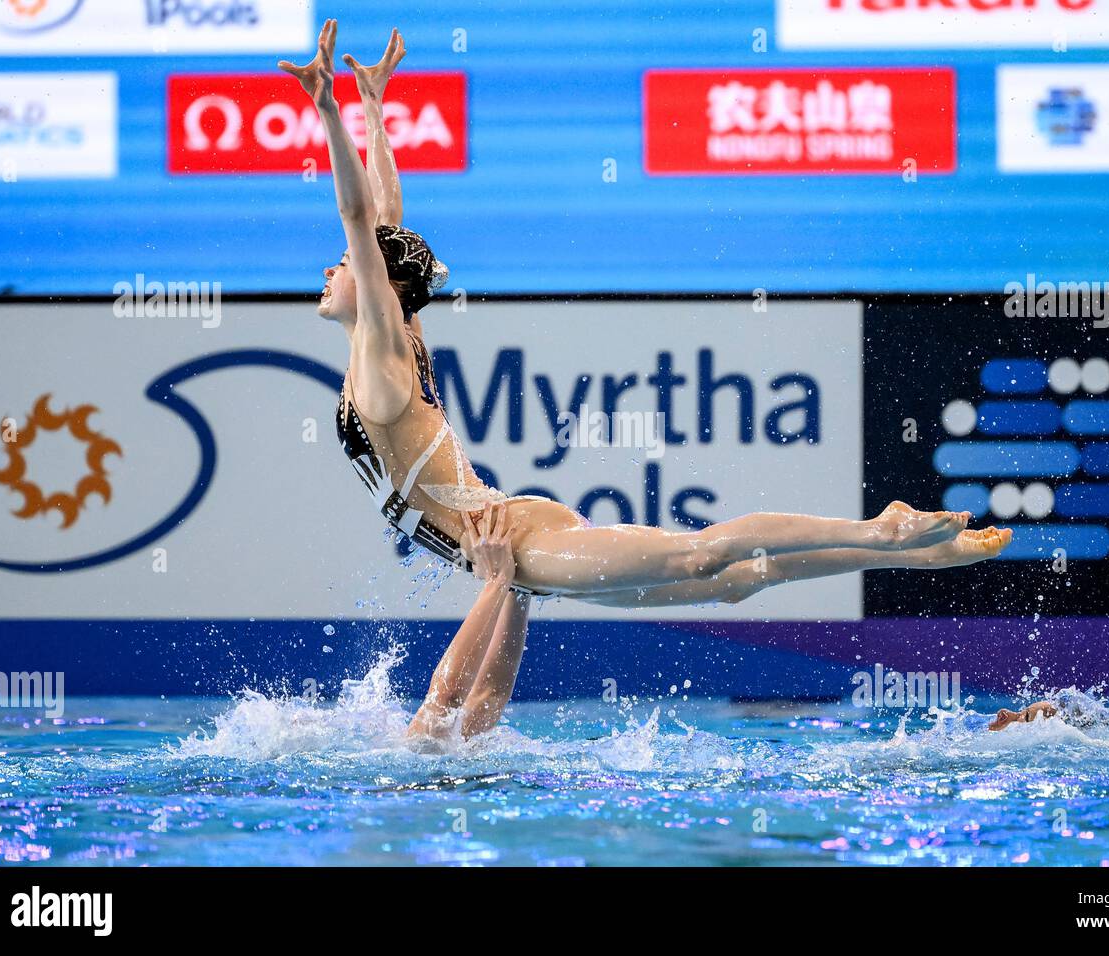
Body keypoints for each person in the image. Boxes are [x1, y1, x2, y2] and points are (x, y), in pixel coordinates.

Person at [280, 21, 1013, 606]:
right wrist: (378, 111)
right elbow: (383, 219)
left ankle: (880, 532)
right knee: (731, 581)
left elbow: (359, 215)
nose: (331, 269)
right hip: (525, 543)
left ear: (381, 287)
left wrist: (332, 110)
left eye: (345, 267)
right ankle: (915, 553)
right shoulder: (396, 334)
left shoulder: (385, 345)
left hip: (528, 546)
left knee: (702, 554)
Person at [406, 502, 529, 747]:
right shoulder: (425, 752)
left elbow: (487, 696)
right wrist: (499, 581)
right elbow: (454, 697)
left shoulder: (425, 754)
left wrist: (516, 589)